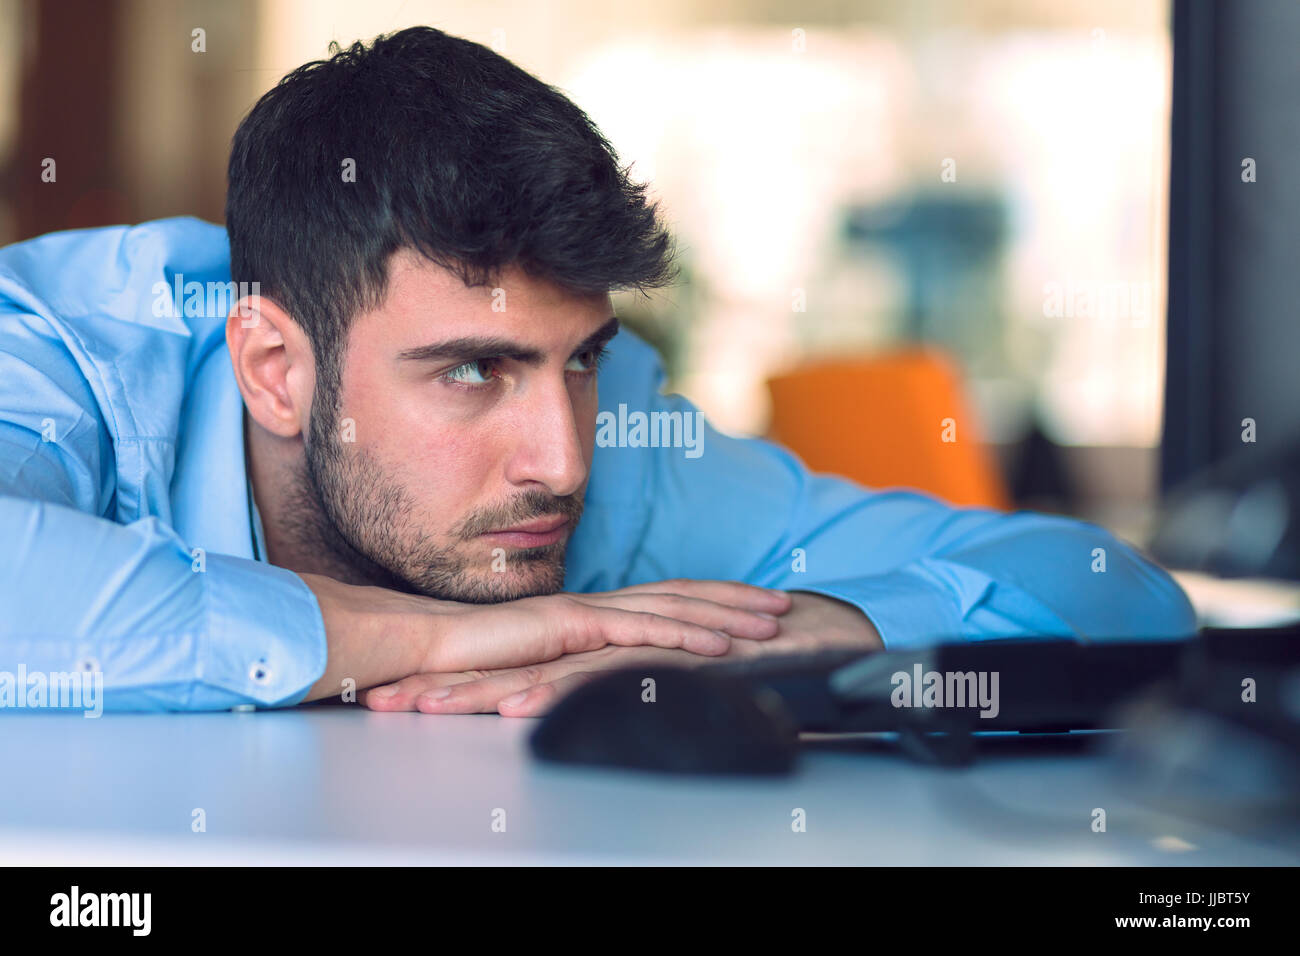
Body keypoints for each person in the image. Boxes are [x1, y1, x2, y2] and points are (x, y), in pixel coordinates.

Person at [0, 27, 1196, 716]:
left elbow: (1117, 591)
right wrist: (416, 635)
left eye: (577, 362)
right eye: (472, 369)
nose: (560, 460)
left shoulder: (619, 451)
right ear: (272, 367)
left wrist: (823, 630)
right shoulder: (63, 351)